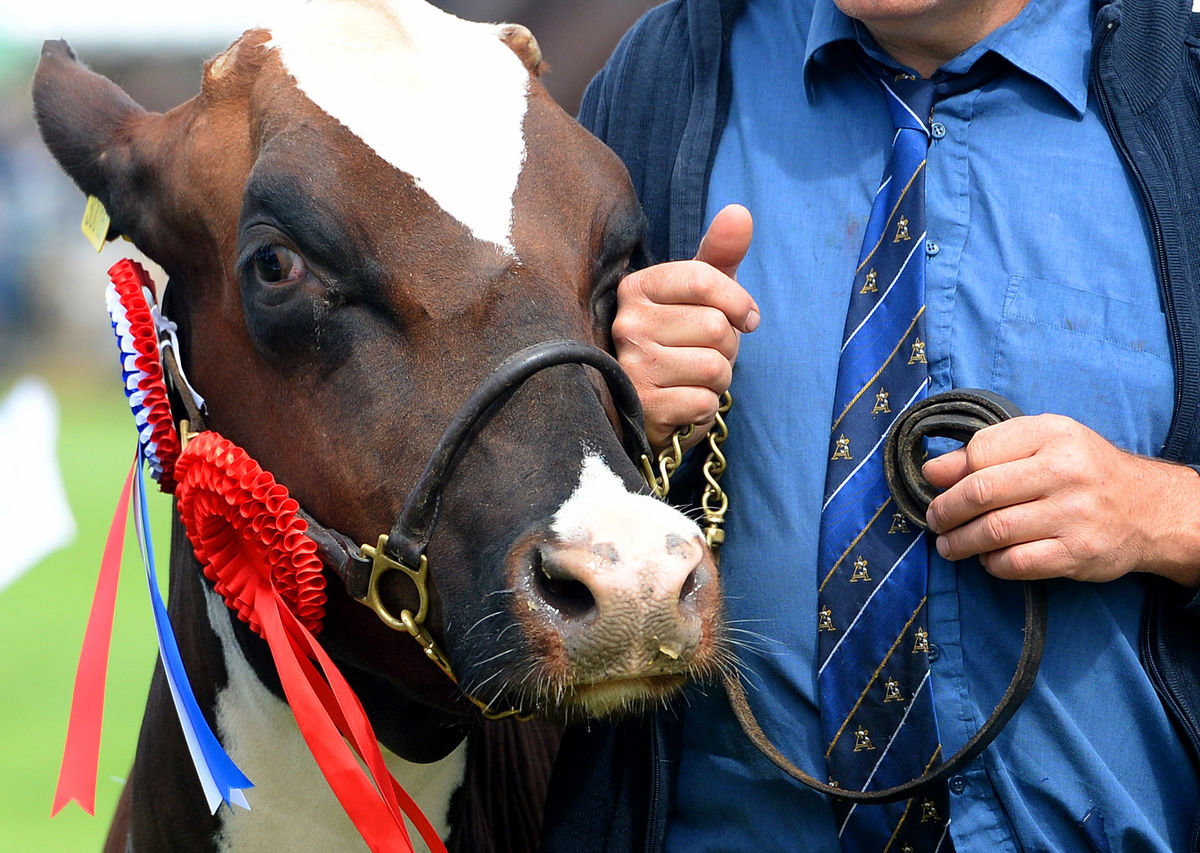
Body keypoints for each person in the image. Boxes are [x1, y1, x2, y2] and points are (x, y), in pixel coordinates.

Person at [540, 1, 1200, 851]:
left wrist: (1161, 512)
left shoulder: (1178, 91)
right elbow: (510, 501)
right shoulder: (668, 75)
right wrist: (608, 406)